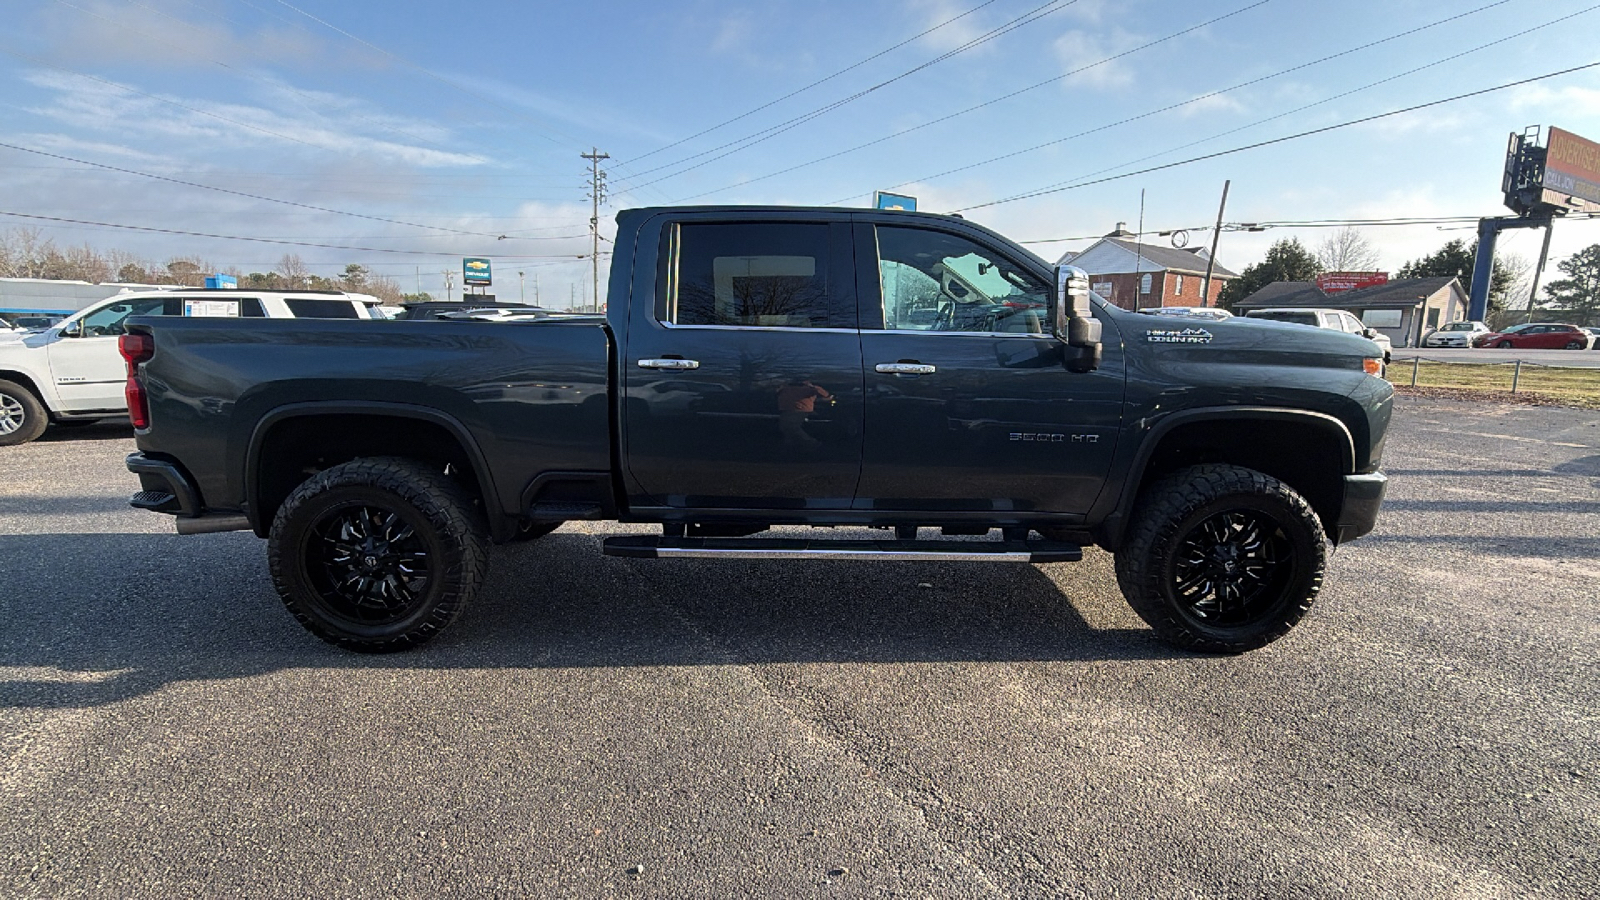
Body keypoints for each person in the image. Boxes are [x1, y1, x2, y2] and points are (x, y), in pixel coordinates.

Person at [776, 381, 832, 446]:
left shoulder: (809, 388)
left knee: (791, 427)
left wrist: (812, 386)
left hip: (799, 410)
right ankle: (791, 444)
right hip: (786, 410)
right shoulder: (785, 387)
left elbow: (825, 395)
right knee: (784, 427)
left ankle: (812, 443)